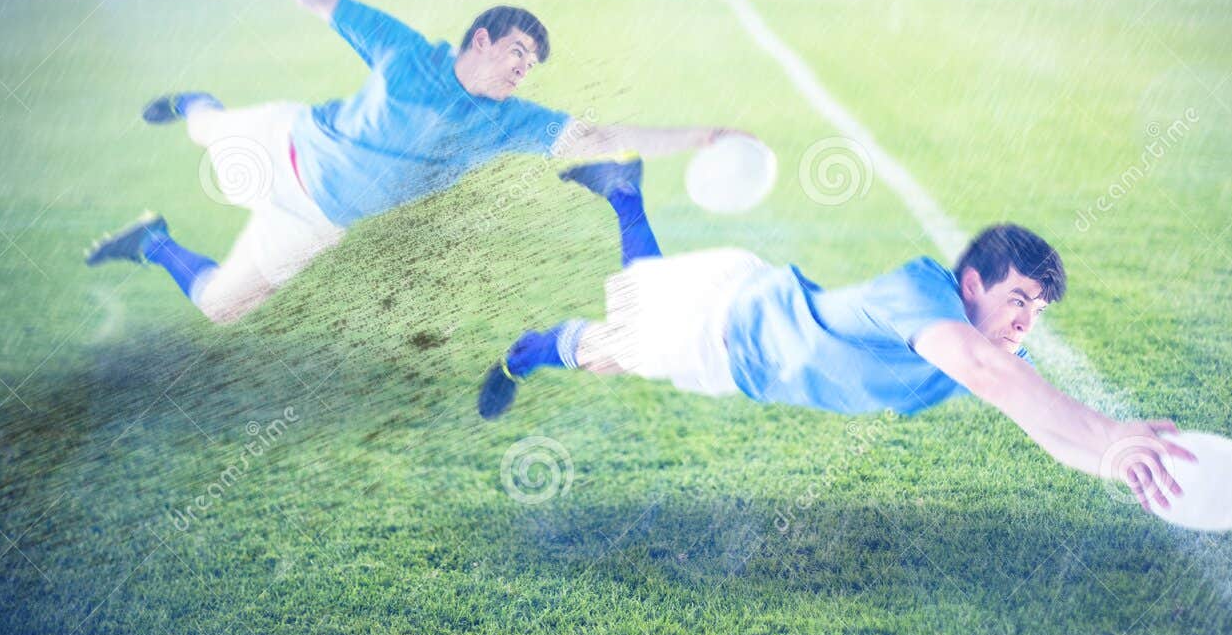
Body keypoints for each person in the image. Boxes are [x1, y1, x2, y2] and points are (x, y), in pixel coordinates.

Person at [85, 0, 740, 324]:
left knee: (219, 307)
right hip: (282, 145)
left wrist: (699, 136)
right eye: (517, 52)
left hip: (315, 218)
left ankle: (152, 242)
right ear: (480, 40)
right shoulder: (404, 52)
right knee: (206, 129)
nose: (524, 69)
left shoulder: (510, 122)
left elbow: (600, 137)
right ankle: (194, 100)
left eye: (532, 64)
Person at [478, 159, 1195, 510]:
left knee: (629, 330)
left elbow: (1037, 419)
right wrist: (1111, 429)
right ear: (972, 283)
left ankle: (622, 198)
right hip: (723, 316)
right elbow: (993, 375)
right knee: (617, 345)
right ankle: (532, 344)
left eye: (1036, 311)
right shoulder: (927, 293)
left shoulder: (987, 351)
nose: (1025, 322)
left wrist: (1109, 459)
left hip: (739, 357)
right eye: (1018, 299)